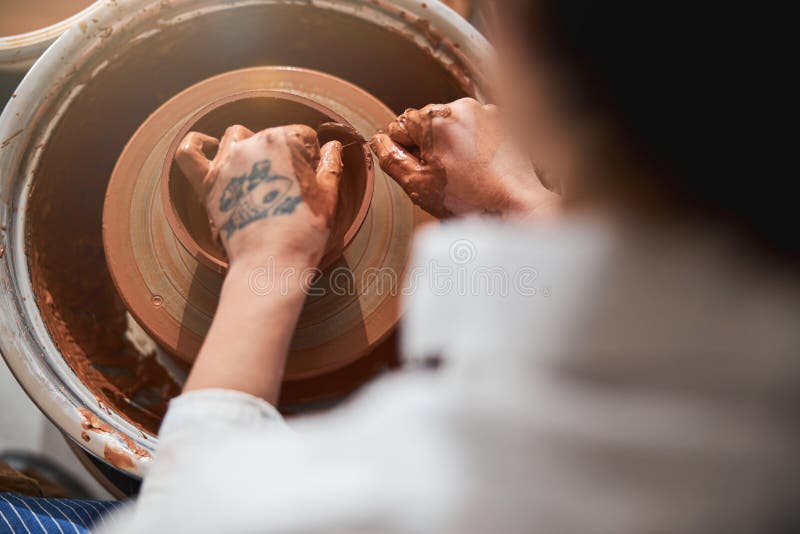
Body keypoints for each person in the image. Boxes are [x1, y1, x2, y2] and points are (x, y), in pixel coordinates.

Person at [99, 2, 799, 533]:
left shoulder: (411, 490)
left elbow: (189, 512)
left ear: (523, 50)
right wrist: (522, 202)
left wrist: (266, 260)